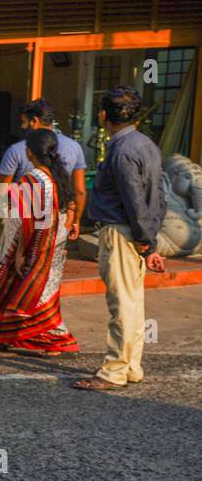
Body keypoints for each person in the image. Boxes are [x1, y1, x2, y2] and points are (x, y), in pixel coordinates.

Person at [73, 87, 167, 391]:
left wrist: (142, 237)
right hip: (137, 230)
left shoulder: (121, 149)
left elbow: (133, 198)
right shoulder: (146, 145)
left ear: (103, 115)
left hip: (120, 230)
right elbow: (157, 195)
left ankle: (113, 370)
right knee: (134, 302)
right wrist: (150, 238)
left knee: (121, 303)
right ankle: (131, 365)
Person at [0, 129, 80, 357]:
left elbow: (24, 220)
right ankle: (5, 338)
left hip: (30, 245)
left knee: (17, 289)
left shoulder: (31, 179)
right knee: (43, 291)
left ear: (29, 152)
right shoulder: (59, 177)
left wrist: (19, 252)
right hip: (52, 246)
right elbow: (71, 206)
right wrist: (61, 232)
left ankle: (48, 339)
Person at [0, 98, 87, 236]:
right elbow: (80, 190)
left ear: (34, 121)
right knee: (51, 256)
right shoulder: (74, 147)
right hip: (59, 220)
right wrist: (76, 221)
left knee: (19, 255)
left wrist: (5, 218)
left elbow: (5, 189)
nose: (22, 127)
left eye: (24, 122)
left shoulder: (17, 150)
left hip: (23, 219)